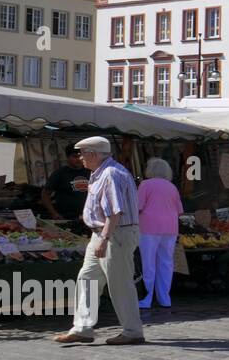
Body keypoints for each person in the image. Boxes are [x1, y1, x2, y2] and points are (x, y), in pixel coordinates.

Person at [53, 137, 145, 345]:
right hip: (103, 232)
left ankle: (132, 331)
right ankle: (83, 328)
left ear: (94, 154)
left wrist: (104, 238)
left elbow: (115, 212)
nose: (80, 157)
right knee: (87, 277)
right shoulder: (101, 172)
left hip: (115, 233)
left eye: (82, 153)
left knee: (119, 283)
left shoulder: (111, 174)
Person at [136, 158, 182, 310]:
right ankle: (164, 298)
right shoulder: (172, 187)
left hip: (149, 227)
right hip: (170, 228)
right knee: (166, 263)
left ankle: (146, 298)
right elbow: (179, 210)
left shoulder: (145, 184)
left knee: (148, 263)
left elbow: (138, 207)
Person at [41, 148, 91, 230]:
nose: (78, 159)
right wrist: (54, 213)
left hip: (87, 218)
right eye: (74, 156)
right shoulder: (60, 173)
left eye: (80, 156)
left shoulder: (90, 172)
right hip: (66, 218)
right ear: (67, 158)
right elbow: (45, 194)